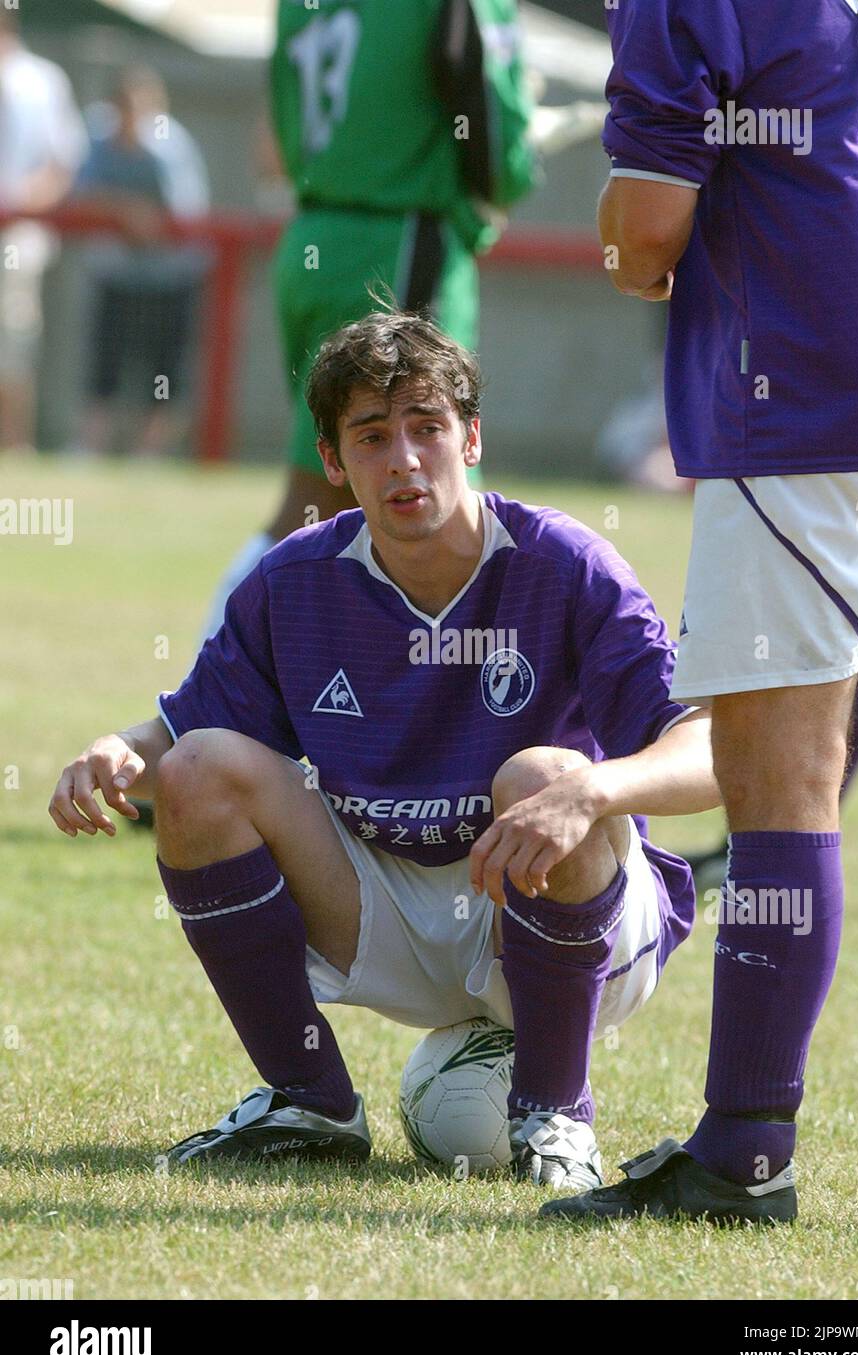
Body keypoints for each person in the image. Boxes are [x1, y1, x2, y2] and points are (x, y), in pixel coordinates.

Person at [48, 307, 720, 1194]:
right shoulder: (295, 579)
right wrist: (116, 749)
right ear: (333, 462)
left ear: (470, 437)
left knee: (544, 775)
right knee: (199, 770)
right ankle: (308, 1102)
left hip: (562, 901)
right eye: (371, 437)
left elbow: (708, 747)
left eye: (426, 428)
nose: (403, 459)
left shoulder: (564, 562)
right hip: (389, 910)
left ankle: (555, 1115)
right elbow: (179, 732)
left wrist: (593, 792)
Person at [541, 0, 858, 1224]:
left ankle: (744, 1148)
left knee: (779, 794)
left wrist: (615, 230)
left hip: (802, 403)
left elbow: (645, 237)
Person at [198, 0, 541, 639]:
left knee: (325, 493)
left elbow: (278, 137)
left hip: (315, 238)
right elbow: (499, 140)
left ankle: (240, 697)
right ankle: (207, 696)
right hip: (399, 242)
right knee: (438, 491)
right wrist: (501, 171)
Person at [73, 67, 210, 458]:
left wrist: (135, 217)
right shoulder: (97, 138)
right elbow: (78, 194)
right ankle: (91, 447)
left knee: (165, 373)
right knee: (104, 362)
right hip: (118, 275)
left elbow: (181, 218)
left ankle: (148, 454)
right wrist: (126, 210)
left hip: (171, 278)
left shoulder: (170, 148)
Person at [0, 11, 86, 452]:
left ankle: (14, 446)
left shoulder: (41, 80)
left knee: (11, 341)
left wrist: (17, 203)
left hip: (16, 234)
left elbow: (62, 161)